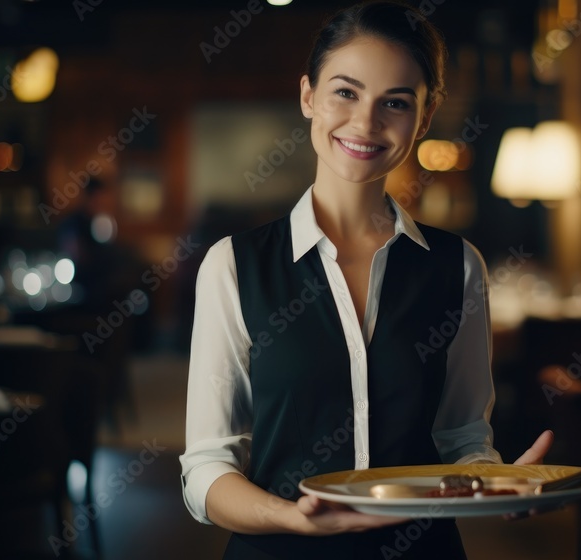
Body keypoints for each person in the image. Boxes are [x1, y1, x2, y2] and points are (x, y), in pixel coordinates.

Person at [179, 2, 553, 558]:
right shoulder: (234, 266)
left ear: (424, 118)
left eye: (395, 103)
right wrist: (293, 519)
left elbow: (463, 439)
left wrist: (496, 486)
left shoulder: (458, 266)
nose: (365, 123)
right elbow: (207, 469)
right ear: (308, 96)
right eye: (345, 93)